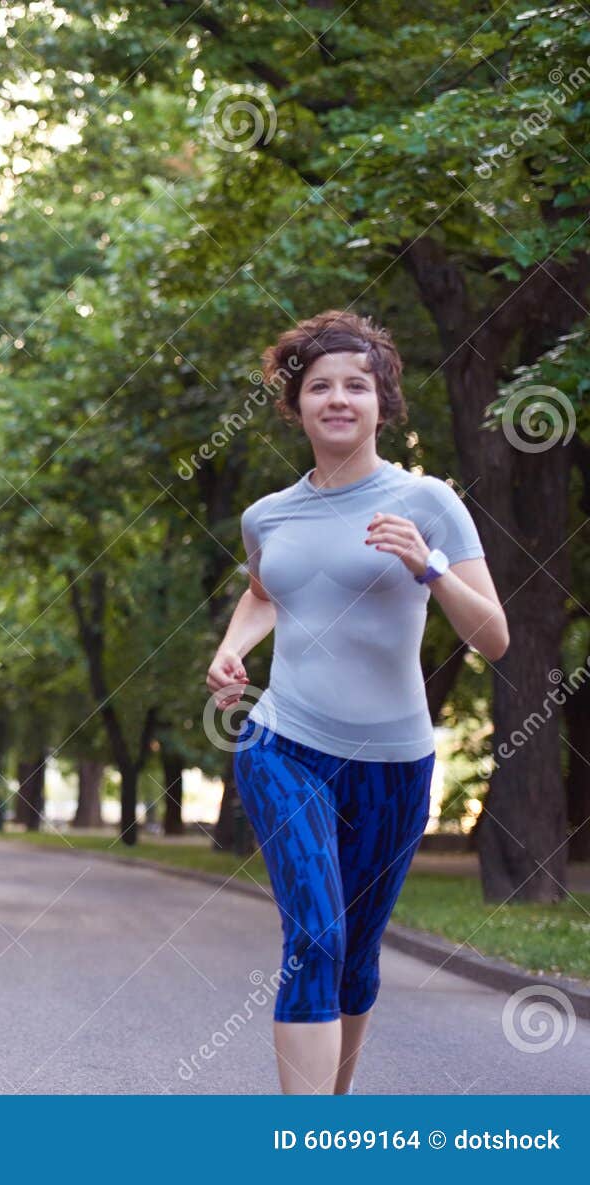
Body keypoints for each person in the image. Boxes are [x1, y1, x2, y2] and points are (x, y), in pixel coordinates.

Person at [206, 310, 507, 1095]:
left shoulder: (428, 501)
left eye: (356, 385)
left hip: (394, 763)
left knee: (357, 956)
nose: (337, 398)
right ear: (295, 404)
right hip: (284, 742)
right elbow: (265, 592)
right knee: (315, 936)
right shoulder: (267, 515)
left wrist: (431, 565)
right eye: (319, 386)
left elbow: (496, 637)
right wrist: (233, 646)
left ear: (383, 401)